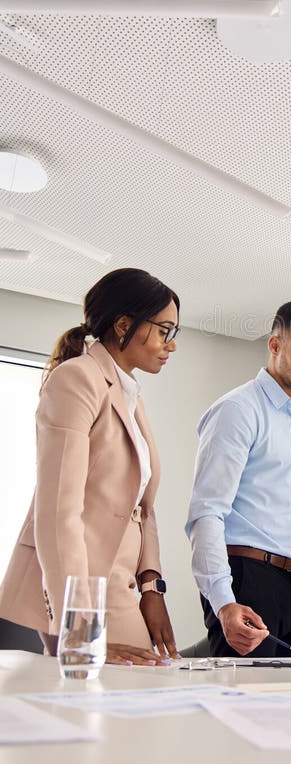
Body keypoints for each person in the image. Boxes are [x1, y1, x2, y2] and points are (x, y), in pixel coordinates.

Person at [0, 268, 181, 665]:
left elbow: (142, 505)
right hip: (81, 585)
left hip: (120, 583)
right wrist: (79, 630)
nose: (171, 345)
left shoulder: (131, 394)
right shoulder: (76, 379)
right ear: (123, 325)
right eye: (164, 330)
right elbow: (57, 512)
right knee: (128, 698)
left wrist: (152, 586)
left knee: (141, 696)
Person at [186, 301, 291, 658]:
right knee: (242, 706)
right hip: (245, 579)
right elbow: (206, 513)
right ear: (275, 346)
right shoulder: (237, 411)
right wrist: (224, 602)